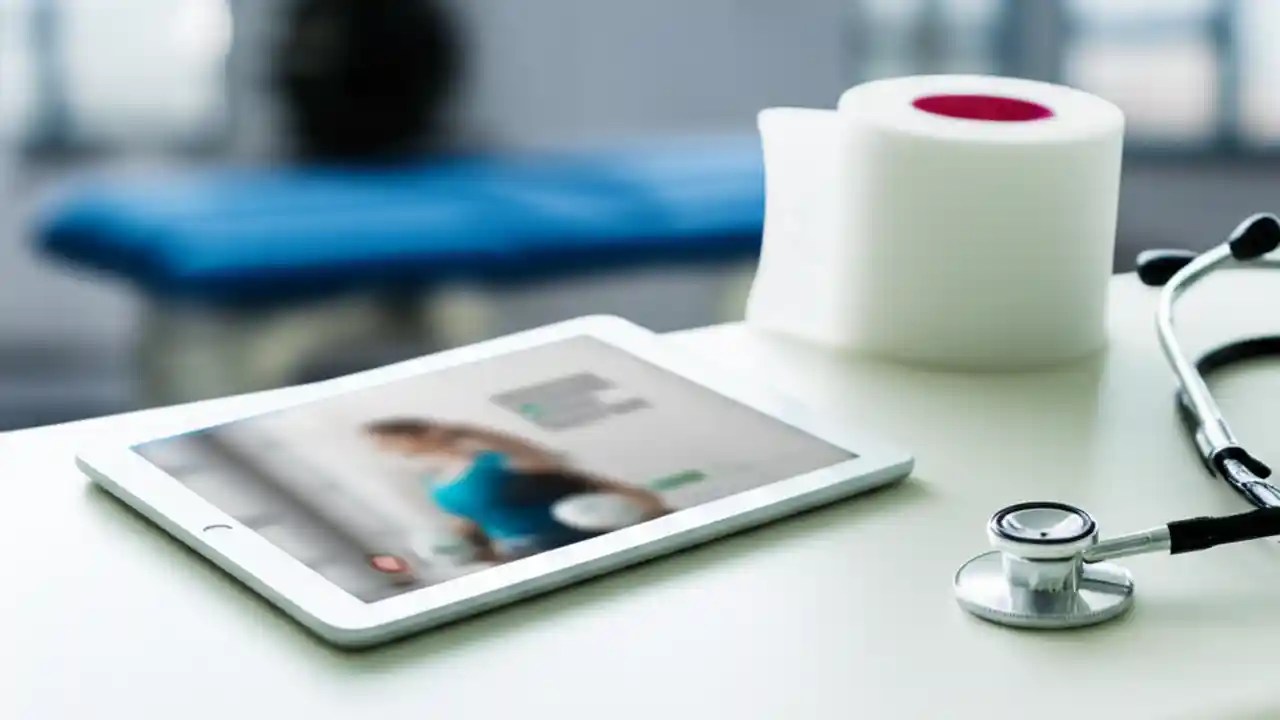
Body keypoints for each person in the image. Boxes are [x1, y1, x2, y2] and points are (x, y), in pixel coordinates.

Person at [365, 418, 668, 562]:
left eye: (388, 440)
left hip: (576, 534)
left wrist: (471, 430)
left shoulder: (490, 461)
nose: (384, 449)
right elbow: (474, 520)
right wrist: (455, 546)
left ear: (423, 433)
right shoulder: (433, 484)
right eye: (379, 446)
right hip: (521, 551)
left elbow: (551, 463)